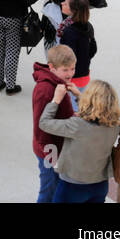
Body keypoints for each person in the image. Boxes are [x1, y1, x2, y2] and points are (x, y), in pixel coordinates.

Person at [38, 79, 120, 203]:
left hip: (73, 186)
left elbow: (44, 123)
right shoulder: (115, 125)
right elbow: (96, 112)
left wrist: (56, 100)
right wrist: (78, 95)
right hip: (100, 185)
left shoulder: (77, 125)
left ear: (89, 99)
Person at [32, 45, 78, 202]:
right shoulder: (45, 90)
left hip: (58, 149)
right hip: (50, 152)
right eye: (65, 70)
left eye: (72, 69)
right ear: (52, 67)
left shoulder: (58, 83)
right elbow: (41, 129)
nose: (70, 74)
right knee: (48, 190)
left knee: (57, 189)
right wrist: (53, 160)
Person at [58, 0, 96, 88]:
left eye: (66, 4)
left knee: (71, 102)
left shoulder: (69, 31)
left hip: (71, 79)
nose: (62, 3)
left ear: (73, 11)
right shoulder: (88, 26)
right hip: (84, 74)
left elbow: (67, 57)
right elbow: (93, 49)